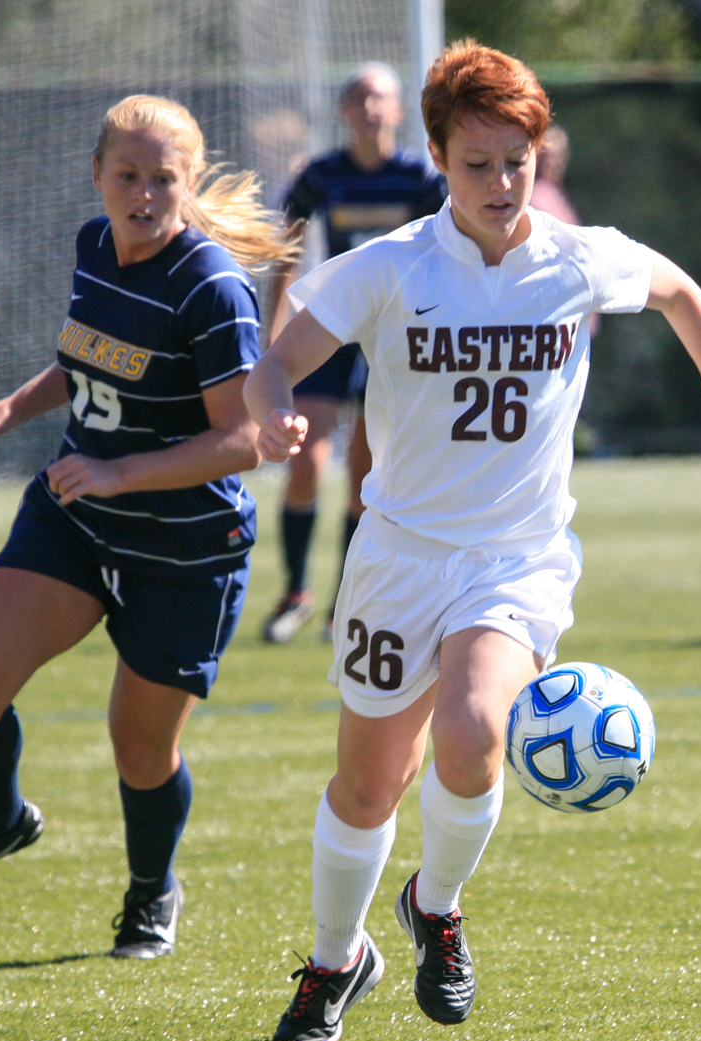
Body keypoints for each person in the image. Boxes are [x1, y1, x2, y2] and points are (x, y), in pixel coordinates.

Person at [243, 41, 701, 1041]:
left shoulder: (576, 258)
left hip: (515, 559)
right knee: (368, 785)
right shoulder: (392, 268)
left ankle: (437, 910)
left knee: (473, 730)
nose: (501, 182)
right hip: (396, 556)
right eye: (479, 162)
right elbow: (279, 364)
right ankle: (336, 959)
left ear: (542, 156)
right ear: (439, 160)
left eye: (518, 160)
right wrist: (276, 414)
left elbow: (679, 293)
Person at [0, 96, 296, 960]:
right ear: (98, 176)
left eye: (165, 179)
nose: (145, 194)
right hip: (79, 515)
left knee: (140, 750)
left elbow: (241, 441)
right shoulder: (94, 244)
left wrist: (121, 471)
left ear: (188, 185)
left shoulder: (210, 287)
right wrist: (11, 408)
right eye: (128, 175)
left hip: (185, 549)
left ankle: (152, 890)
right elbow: (87, 353)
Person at [259, 62, 448, 645]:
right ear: (345, 110)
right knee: (306, 462)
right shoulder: (321, 176)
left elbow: (446, 252)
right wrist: (275, 328)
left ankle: (345, 603)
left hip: (393, 340)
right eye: (361, 97)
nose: (370, 107)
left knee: (366, 477)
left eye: (381, 98)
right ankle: (295, 593)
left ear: (398, 111)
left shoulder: (420, 177)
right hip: (336, 332)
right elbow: (286, 250)